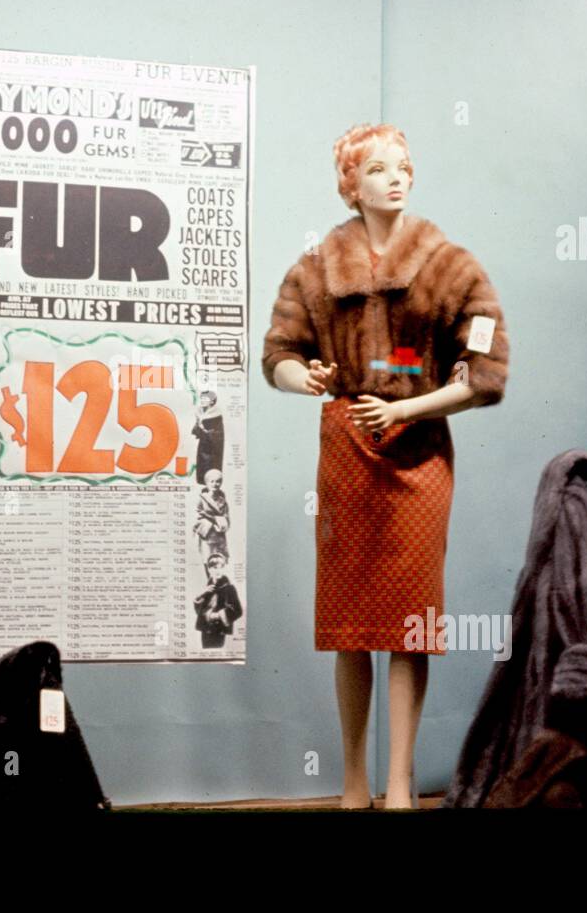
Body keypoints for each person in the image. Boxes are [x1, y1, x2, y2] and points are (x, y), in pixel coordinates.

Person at [262, 123, 509, 808]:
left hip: (419, 456)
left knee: (410, 619)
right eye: (377, 168)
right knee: (349, 623)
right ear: (351, 183)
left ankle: (398, 780)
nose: (395, 177)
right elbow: (277, 351)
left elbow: (486, 375)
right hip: (345, 452)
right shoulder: (316, 267)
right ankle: (351, 779)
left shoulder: (449, 265)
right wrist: (302, 377)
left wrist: (407, 410)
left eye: (403, 165)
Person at [194, 553, 243, 649]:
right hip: (205, 629)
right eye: (214, 568)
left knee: (216, 652)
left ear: (224, 568)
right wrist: (200, 594)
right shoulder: (208, 588)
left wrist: (218, 615)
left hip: (219, 629)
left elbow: (238, 611)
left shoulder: (229, 588)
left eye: (221, 567)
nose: (218, 570)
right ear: (209, 569)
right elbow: (197, 611)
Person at [192, 468, 230, 562]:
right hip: (207, 534)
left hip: (220, 535)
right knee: (207, 560)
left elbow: (226, 519)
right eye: (211, 481)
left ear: (221, 483)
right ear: (206, 483)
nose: (214, 484)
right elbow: (197, 515)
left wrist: (210, 517)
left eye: (218, 481)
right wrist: (214, 520)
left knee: (221, 561)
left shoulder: (223, 501)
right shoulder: (202, 499)